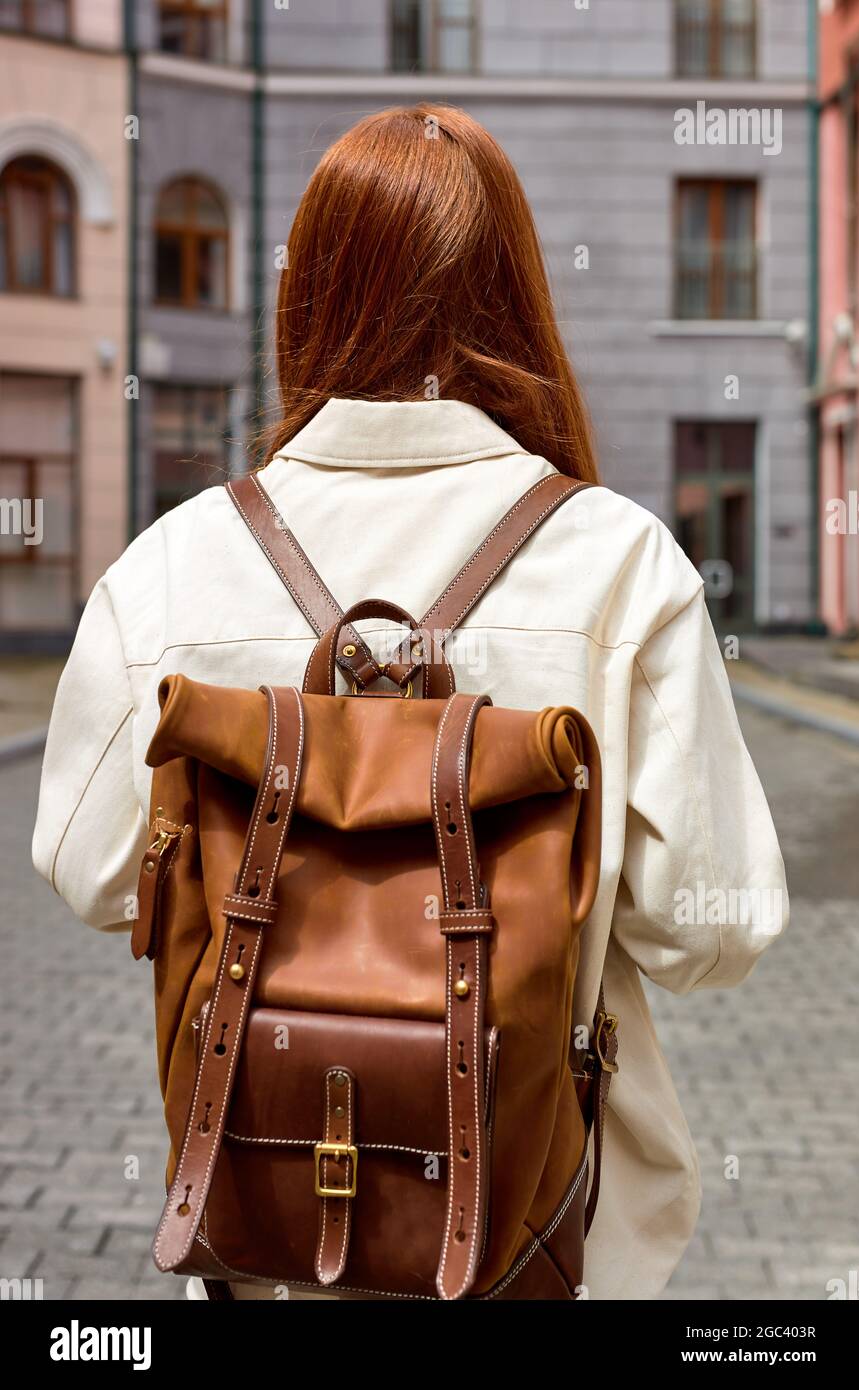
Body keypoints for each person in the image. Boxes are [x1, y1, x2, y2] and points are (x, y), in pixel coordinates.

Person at [32, 105, 788, 1301]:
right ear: (518, 301)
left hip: (259, 1235)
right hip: (535, 1244)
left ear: (307, 297)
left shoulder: (170, 563)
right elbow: (714, 926)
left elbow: (86, 870)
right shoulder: (619, 561)